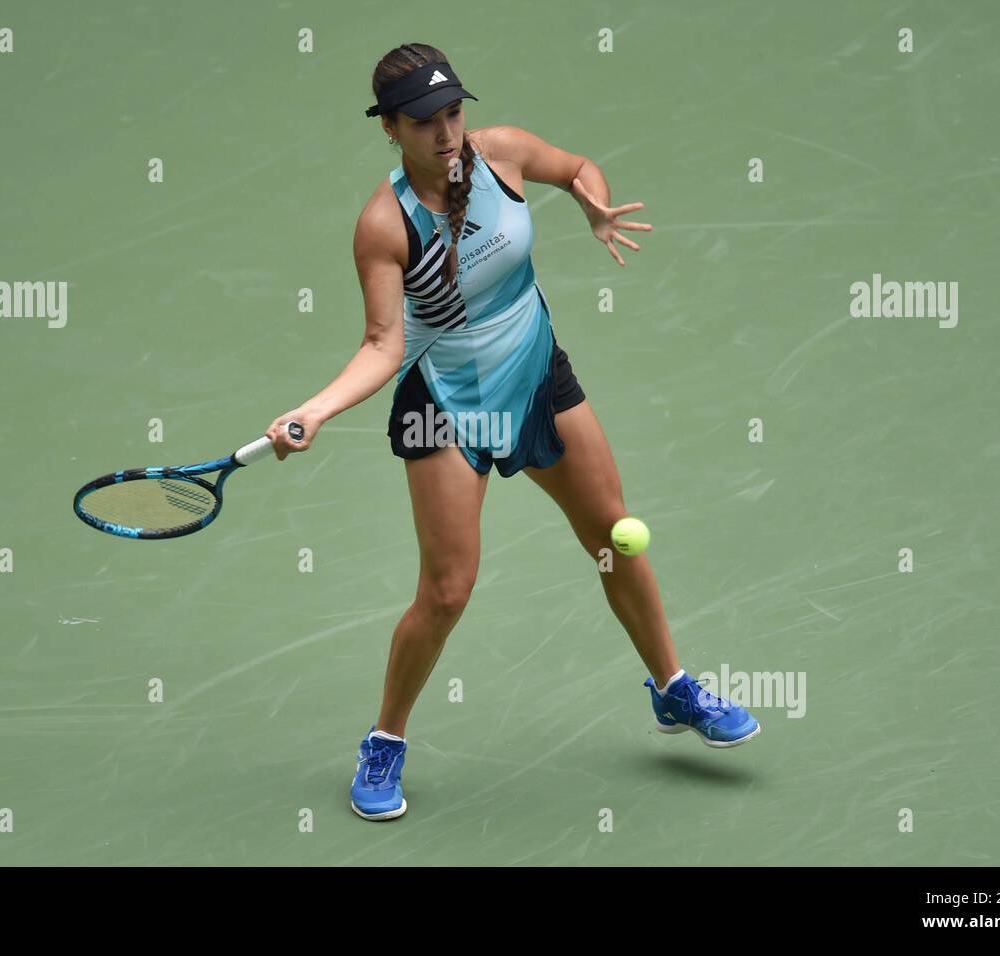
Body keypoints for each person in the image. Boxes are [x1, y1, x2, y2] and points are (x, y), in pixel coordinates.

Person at [265, 43, 760, 821]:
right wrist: (318, 409)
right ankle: (385, 739)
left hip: (535, 375)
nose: (447, 133)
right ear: (390, 129)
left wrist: (594, 203)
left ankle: (673, 690)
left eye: (454, 113)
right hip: (447, 404)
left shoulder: (501, 156)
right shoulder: (384, 226)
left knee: (611, 529)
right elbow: (382, 346)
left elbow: (576, 168)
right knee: (447, 589)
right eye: (425, 121)